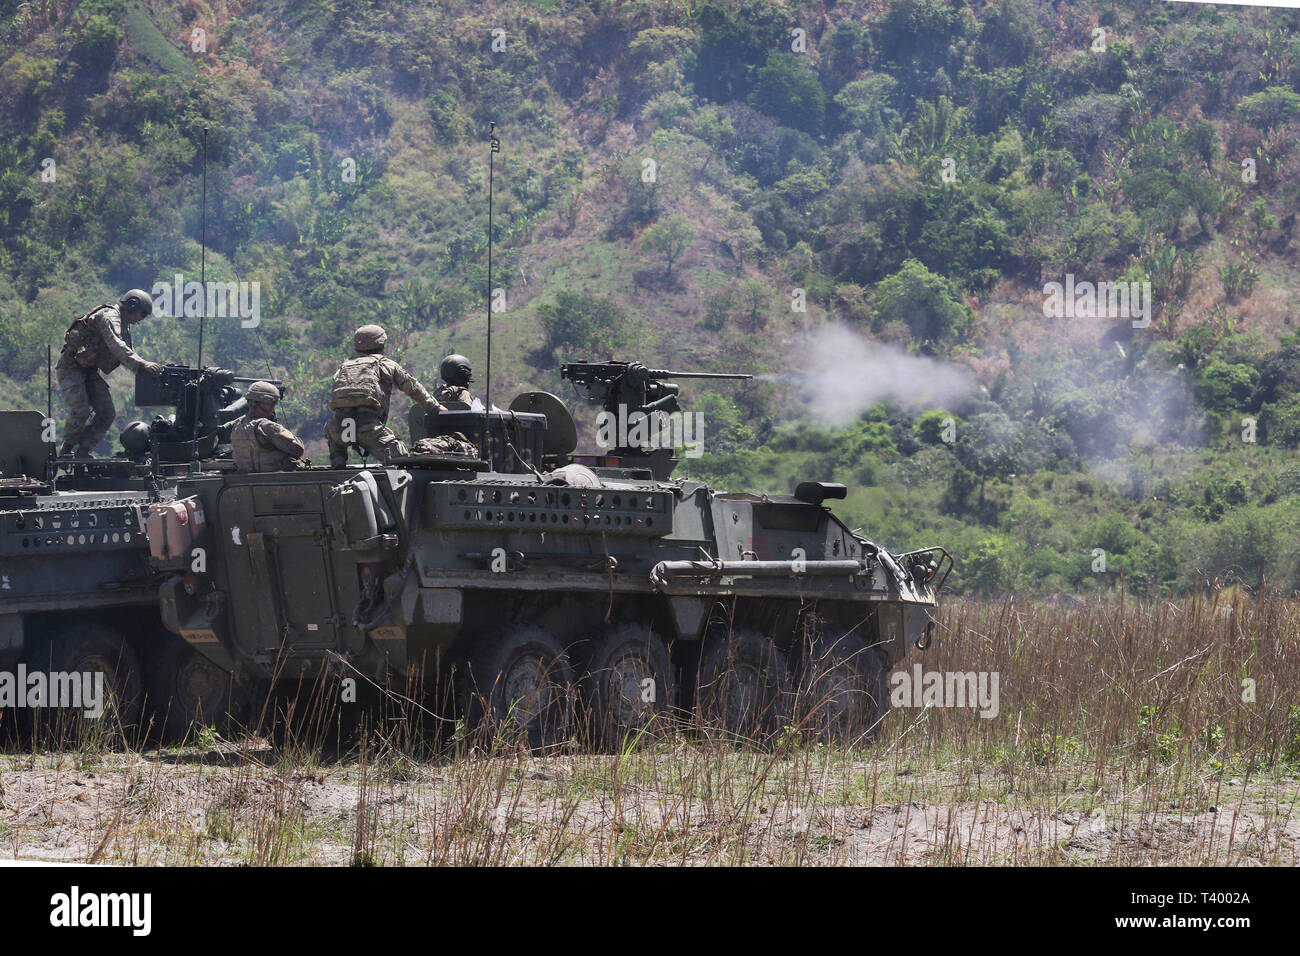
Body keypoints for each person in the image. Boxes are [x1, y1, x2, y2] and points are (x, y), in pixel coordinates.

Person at [57, 289, 163, 458]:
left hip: (89, 371)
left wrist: (149, 371)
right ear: (132, 305)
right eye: (142, 314)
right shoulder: (109, 316)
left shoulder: (123, 326)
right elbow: (116, 345)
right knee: (81, 410)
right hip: (71, 367)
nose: (140, 320)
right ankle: (65, 452)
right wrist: (142, 364)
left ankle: (82, 452)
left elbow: (127, 352)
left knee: (107, 412)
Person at [326, 324, 445, 467]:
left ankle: (338, 458)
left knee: (331, 429)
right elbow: (413, 387)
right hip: (369, 429)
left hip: (339, 429)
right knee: (401, 459)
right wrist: (435, 408)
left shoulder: (344, 367)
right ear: (381, 344)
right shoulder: (385, 364)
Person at [230, 381, 307, 472]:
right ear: (261, 403)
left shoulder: (237, 426)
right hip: (273, 481)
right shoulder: (267, 427)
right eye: (272, 403)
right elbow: (298, 449)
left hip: (244, 483)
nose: (273, 407)